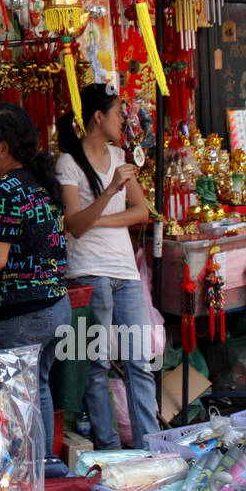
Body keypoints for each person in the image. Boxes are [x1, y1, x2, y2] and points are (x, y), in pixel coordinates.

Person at [55, 82, 158, 450]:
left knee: (139, 363)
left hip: (125, 273)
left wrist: (97, 216)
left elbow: (141, 212)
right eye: (117, 113)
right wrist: (110, 192)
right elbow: (74, 224)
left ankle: (149, 448)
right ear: (98, 117)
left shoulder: (120, 158)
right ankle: (109, 448)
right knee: (95, 367)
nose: (123, 120)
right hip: (88, 272)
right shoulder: (68, 163)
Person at [0, 102, 70, 461]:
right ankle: (40, 474)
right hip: (56, 306)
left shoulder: (6, 191)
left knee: (13, 399)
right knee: (36, 390)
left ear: (4, 147)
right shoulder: (40, 182)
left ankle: (24, 479)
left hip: (22, 315)